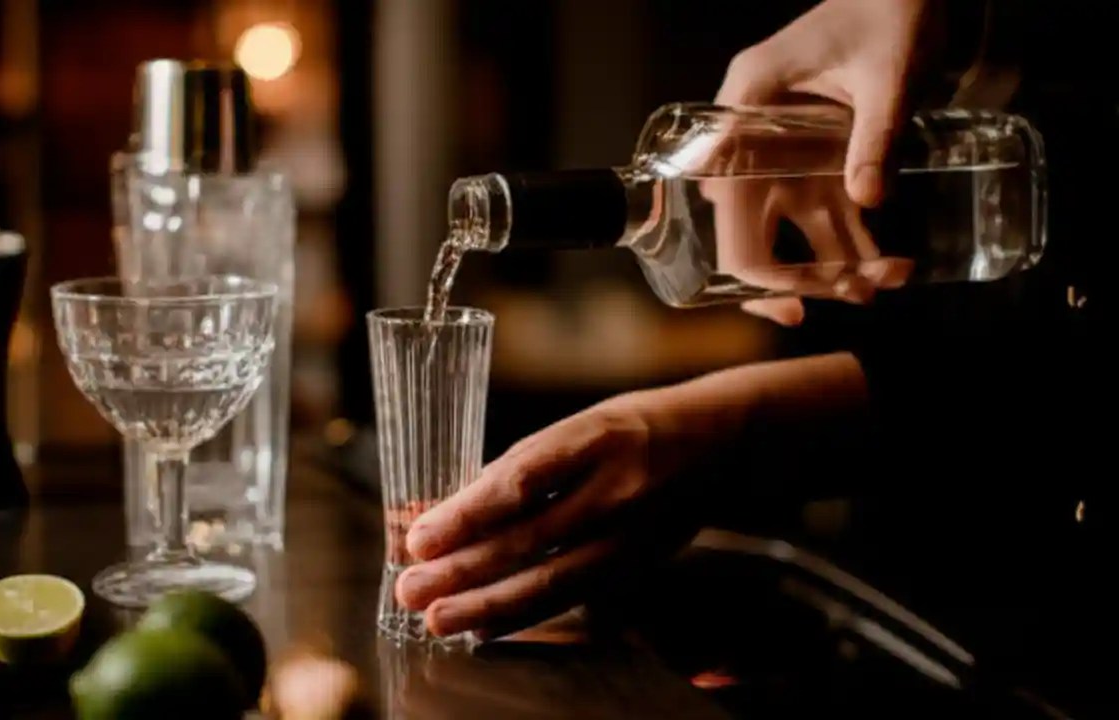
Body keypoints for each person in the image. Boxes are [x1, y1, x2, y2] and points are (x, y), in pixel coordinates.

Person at [399, 0, 1116, 708]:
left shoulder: (677, 200)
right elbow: (1023, 384)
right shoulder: (678, 228)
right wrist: (973, 26)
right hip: (1022, 620)